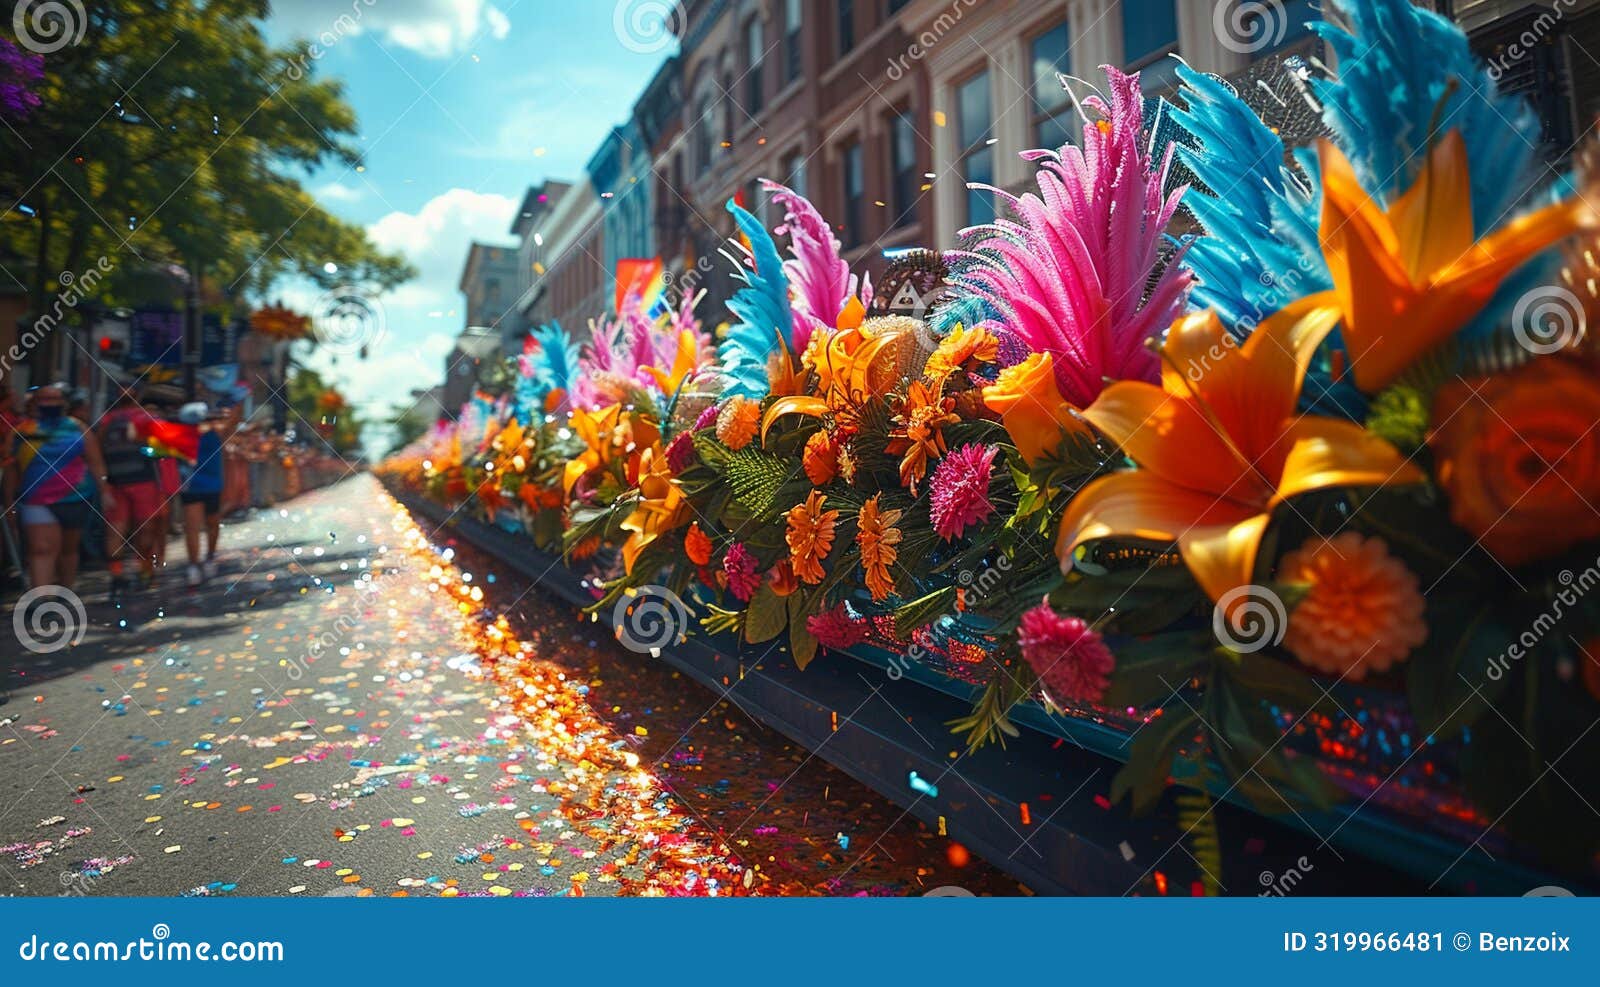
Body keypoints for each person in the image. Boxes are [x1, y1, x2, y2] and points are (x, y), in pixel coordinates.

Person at [2, 385, 115, 589]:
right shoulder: (21, 432)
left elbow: (95, 462)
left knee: (67, 550)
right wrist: (9, 500)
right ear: (35, 403)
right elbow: (11, 469)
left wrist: (104, 490)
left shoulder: (77, 428)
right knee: (41, 549)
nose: (50, 403)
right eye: (44, 399)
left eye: (54, 399)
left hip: (75, 498)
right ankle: (40, 598)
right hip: (36, 499)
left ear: (63, 403)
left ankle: (66, 589)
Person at [98, 386, 163, 599]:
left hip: (123, 482)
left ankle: (124, 574)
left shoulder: (107, 421)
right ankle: (136, 573)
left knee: (121, 531)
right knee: (141, 530)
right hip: (137, 481)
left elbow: (97, 450)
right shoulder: (141, 418)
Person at [177, 402, 233, 587]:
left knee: (201, 526)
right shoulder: (210, 433)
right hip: (200, 486)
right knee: (203, 525)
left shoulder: (214, 432)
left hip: (201, 486)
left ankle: (201, 562)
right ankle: (201, 562)